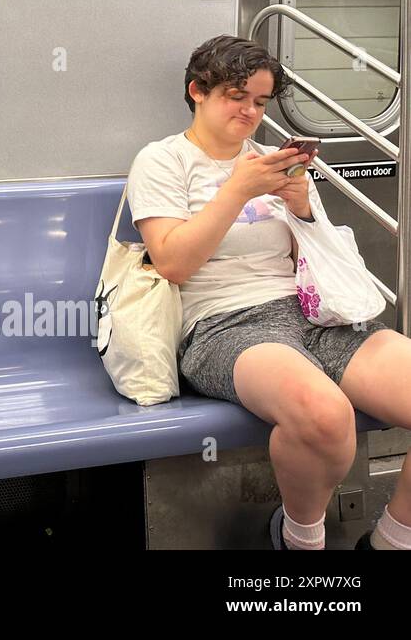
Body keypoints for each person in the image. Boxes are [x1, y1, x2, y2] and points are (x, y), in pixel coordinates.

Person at [128, 35, 411, 551]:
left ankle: (392, 541)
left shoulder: (272, 160)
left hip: (309, 312)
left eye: (260, 101)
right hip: (223, 325)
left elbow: (316, 261)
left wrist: (304, 210)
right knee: (324, 416)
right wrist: (236, 190)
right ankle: (299, 540)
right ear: (198, 91)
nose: (250, 111)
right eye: (237, 96)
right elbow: (171, 263)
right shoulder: (163, 160)